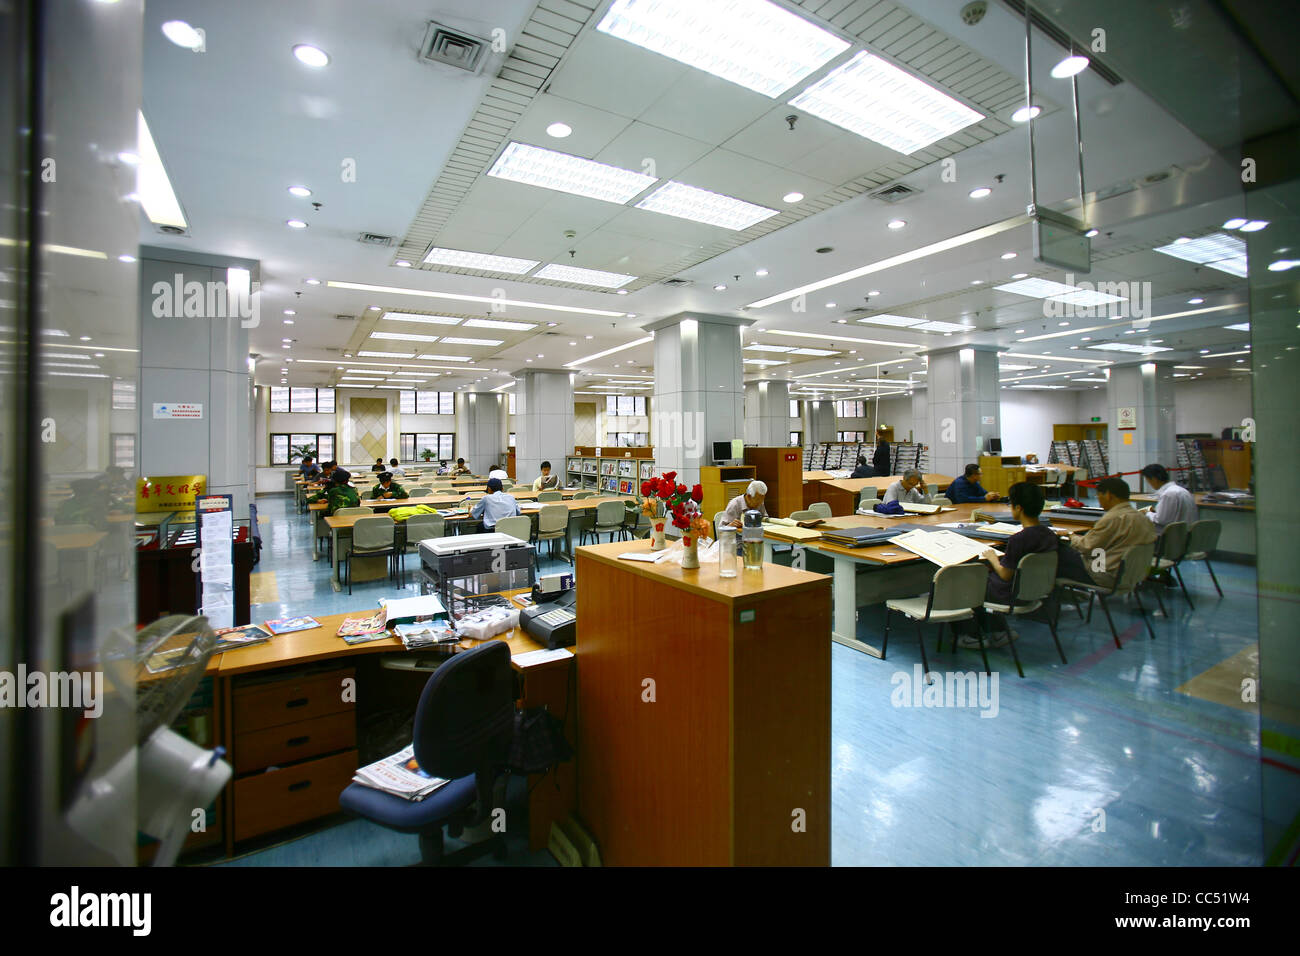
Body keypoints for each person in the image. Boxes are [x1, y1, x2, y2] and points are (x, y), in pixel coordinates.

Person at [957, 482, 1089, 649]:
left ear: (1018, 508)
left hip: (1012, 595)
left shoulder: (1019, 539)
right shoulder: (1049, 535)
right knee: (986, 579)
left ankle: (970, 635)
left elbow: (1005, 575)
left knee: (968, 581)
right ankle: (999, 631)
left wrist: (992, 558)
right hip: (1036, 591)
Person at [1068, 476, 1157, 588]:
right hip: (1135, 573)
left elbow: (1086, 547)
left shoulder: (1112, 519)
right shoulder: (1143, 518)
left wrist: (1071, 536)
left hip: (1106, 574)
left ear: (1108, 495)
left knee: (1059, 555)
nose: (1098, 499)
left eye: (1099, 495)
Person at [1140, 463, 1198, 533]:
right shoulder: (1183, 491)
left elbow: (1161, 520)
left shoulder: (1168, 494)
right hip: (1185, 534)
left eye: (1148, 481)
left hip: (1172, 537)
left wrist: (1146, 513)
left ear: (1154, 479)